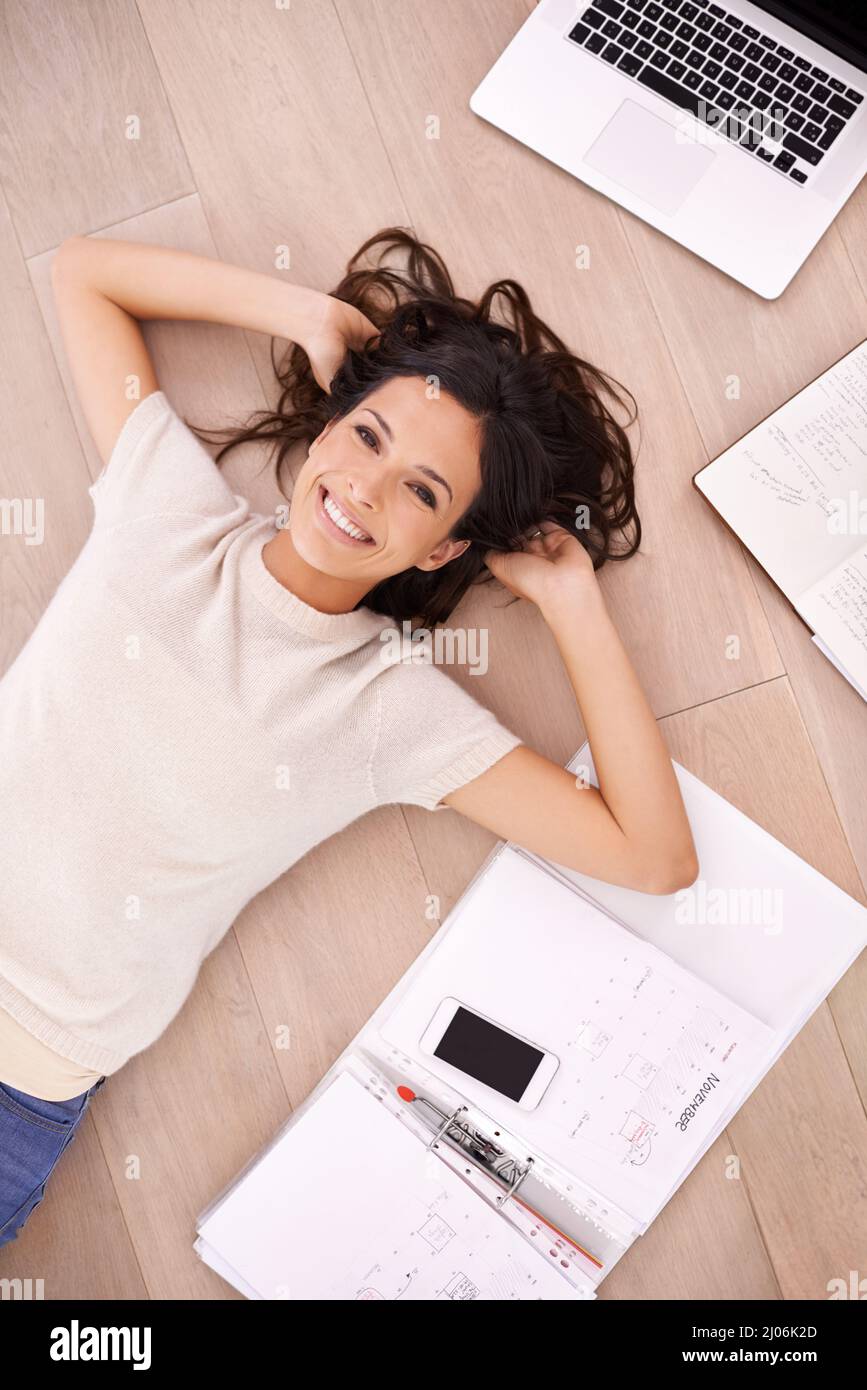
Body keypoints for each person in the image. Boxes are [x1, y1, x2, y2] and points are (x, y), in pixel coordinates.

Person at [0, 226, 698, 1249]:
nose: (366, 488)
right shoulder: (168, 505)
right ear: (329, 428)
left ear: (447, 543)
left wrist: (573, 605)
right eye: (368, 437)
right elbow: (82, 276)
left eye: (422, 490)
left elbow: (655, 854)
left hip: (24, 1075)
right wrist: (310, 317)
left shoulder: (390, 707)